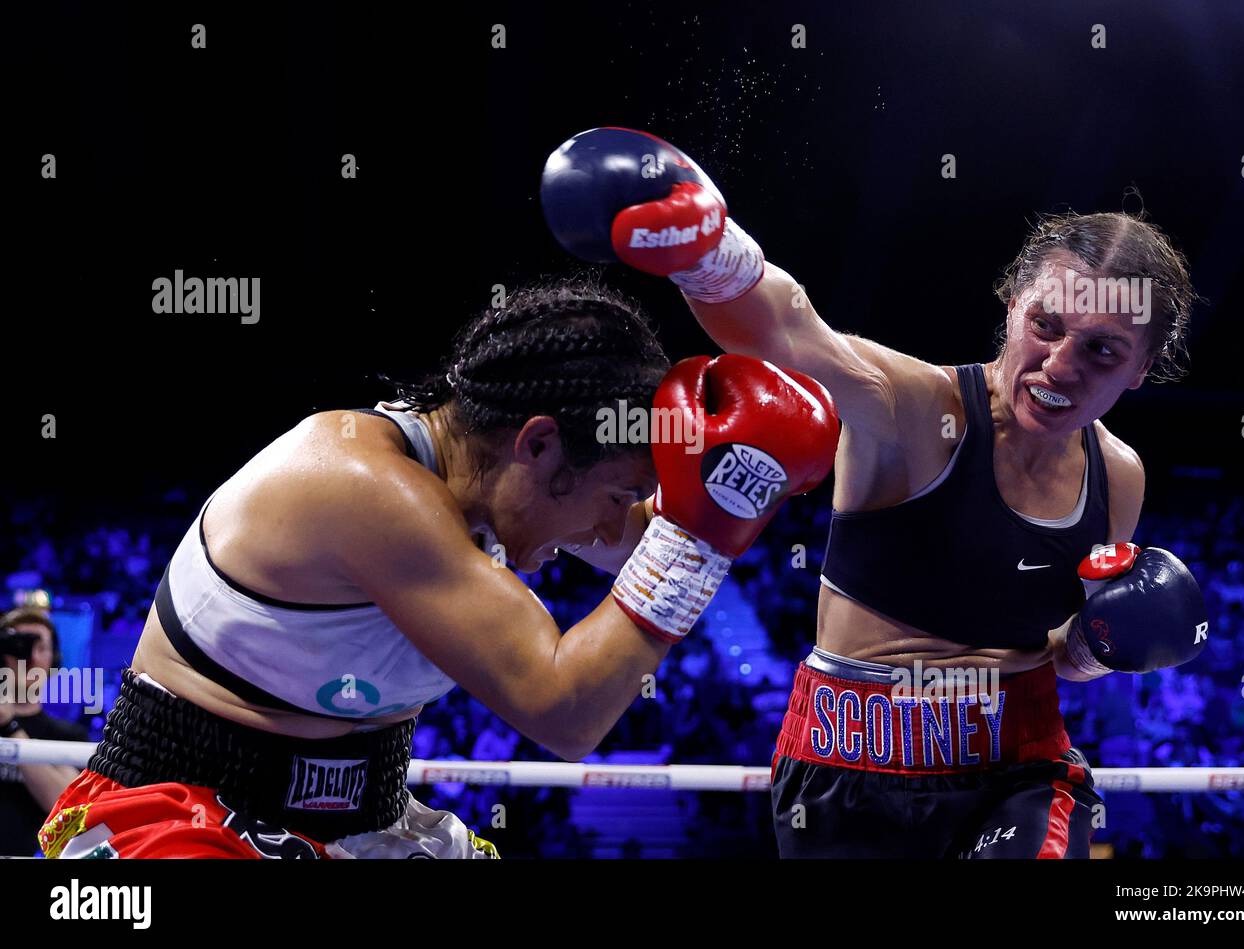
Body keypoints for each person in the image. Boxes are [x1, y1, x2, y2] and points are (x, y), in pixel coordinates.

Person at [541, 127, 1209, 858]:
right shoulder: (917, 410)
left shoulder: (1119, 475)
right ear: (1011, 305)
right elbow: (794, 330)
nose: (1059, 365)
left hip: (1020, 769)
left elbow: (1065, 656)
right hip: (847, 768)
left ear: (1141, 369)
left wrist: (1103, 640)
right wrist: (708, 250)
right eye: (1045, 325)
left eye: (1102, 350)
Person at [39, 278, 838, 859]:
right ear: (537, 443)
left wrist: (735, 488)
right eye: (619, 492)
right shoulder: (361, 484)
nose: (611, 523)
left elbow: (642, 542)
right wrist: (698, 537)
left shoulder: (495, 492)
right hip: (177, 820)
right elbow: (565, 710)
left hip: (362, 826)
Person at [0, 605, 89, 856]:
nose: (30, 658)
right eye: (19, 646)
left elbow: (67, 810)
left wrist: (10, 726)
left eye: (39, 647)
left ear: (54, 660)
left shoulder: (69, 736)